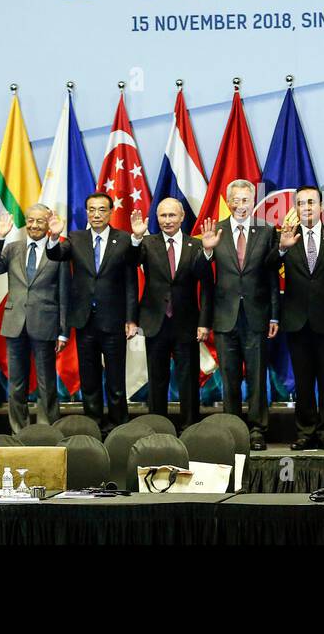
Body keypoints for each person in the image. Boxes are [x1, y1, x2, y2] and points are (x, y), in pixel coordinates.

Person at [46, 196, 141, 435]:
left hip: (114, 320)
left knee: (116, 379)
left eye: (101, 210)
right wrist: (55, 237)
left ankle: (119, 427)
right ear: (87, 212)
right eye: (91, 210)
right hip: (85, 320)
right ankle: (94, 425)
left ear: (110, 212)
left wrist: (131, 318)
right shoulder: (76, 239)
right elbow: (56, 254)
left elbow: (131, 281)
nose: (96, 214)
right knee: (89, 379)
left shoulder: (124, 239)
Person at [198, 179, 280, 450]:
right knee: (229, 376)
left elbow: (272, 277)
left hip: (257, 315)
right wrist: (207, 250)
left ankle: (257, 429)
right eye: (237, 200)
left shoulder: (266, 230)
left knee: (257, 377)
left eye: (247, 200)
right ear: (229, 201)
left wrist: (274, 316)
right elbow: (203, 277)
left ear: (252, 201)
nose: (242, 205)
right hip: (224, 316)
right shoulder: (214, 232)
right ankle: (232, 430)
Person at [277, 185, 324, 449]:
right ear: (295, 209)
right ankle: (305, 432)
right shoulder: (286, 237)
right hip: (296, 320)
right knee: (303, 379)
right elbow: (266, 269)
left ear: (321, 207)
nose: (306, 208)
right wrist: (281, 250)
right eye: (301, 203)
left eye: (311, 203)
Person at [0, 204, 71, 435]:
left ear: (48, 222)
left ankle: (47, 432)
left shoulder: (60, 249)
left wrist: (63, 330)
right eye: (30, 221)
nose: (34, 226)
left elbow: (64, 292)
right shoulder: (13, 248)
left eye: (39, 221)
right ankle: (19, 433)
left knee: (47, 385)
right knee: (16, 385)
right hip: (15, 324)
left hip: (45, 323)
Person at [135, 198, 211, 430]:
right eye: (162, 216)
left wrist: (204, 323)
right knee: (157, 380)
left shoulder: (196, 245)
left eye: (172, 215)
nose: (167, 220)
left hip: (186, 323)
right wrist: (136, 238)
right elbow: (131, 261)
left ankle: (190, 428)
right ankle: (158, 428)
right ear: (157, 218)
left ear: (181, 217)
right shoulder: (147, 243)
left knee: (188, 381)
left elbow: (207, 285)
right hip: (155, 322)